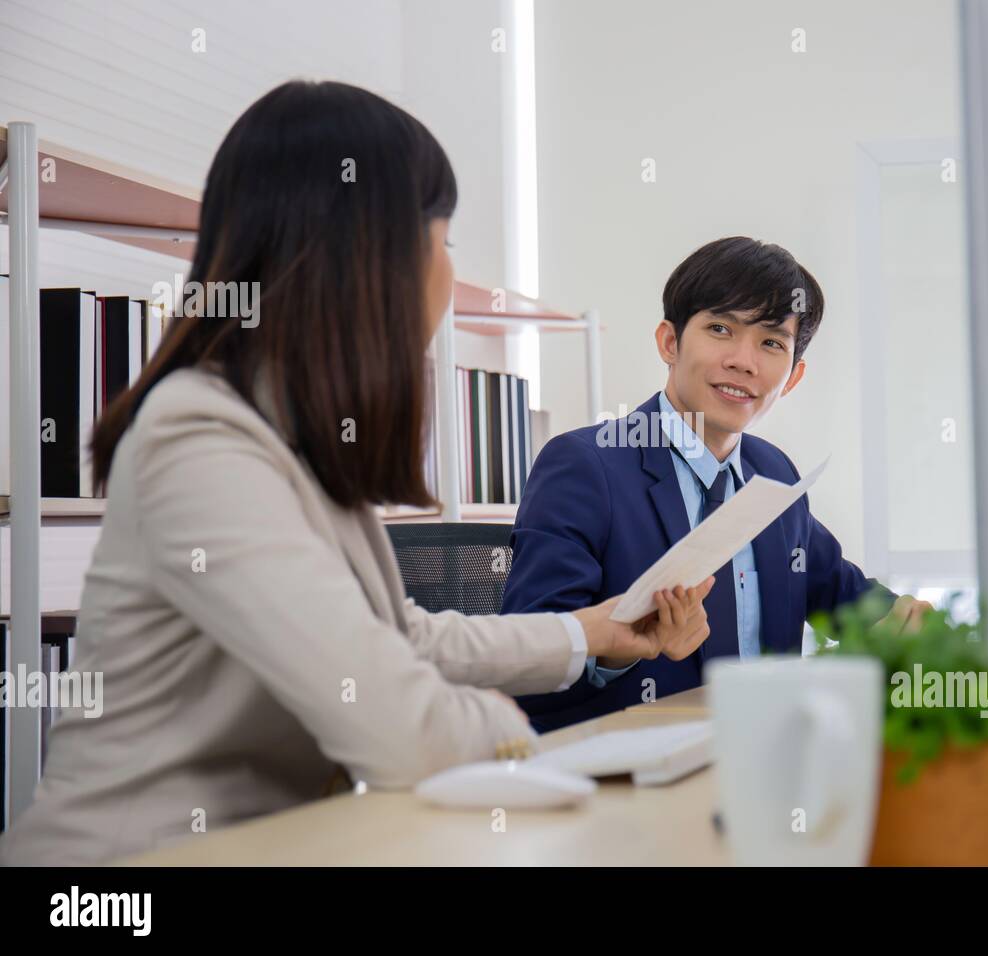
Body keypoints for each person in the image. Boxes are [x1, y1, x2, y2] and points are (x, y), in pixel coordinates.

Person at [0, 81, 710, 866]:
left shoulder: (287, 438)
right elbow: (392, 722)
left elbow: (396, 637)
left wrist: (588, 632)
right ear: (369, 254)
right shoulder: (199, 438)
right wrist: (519, 735)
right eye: (442, 238)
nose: (448, 268)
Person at [502, 237, 928, 732]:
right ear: (669, 342)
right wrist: (620, 653)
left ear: (792, 377)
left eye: (772, 343)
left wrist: (910, 626)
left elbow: (842, 594)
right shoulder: (584, 465)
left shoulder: (774, 476)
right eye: (720, 328)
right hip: (635, 778)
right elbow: (530, 665)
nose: (743, 361)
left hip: (769, 767)